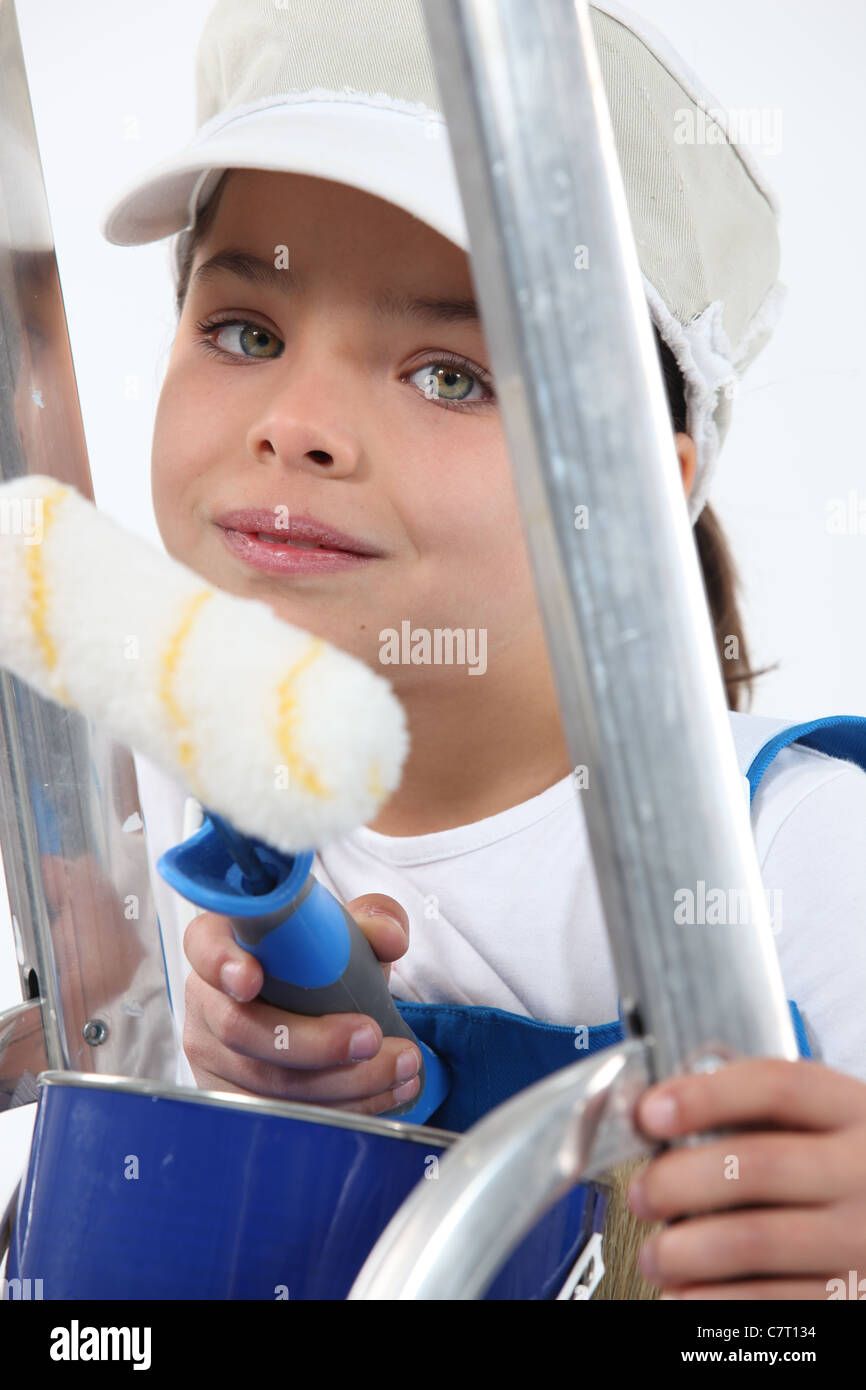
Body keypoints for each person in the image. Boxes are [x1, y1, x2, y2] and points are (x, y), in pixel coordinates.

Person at [102, 0, 866, 1299]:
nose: (296, 423)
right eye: (246, 332)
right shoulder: (146, 802)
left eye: (450, 372)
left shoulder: (799, 856)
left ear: (639, 489)